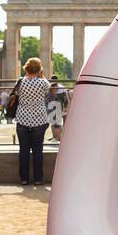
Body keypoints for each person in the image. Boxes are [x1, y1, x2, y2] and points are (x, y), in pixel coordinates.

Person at [13, 57, 51, 185]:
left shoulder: (20, 82)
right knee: (37, 151)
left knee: (23, 150)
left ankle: (24, 179)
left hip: (22, 118)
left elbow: (16, 94)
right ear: (39, 69)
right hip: (39, 119)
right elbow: (49, 89)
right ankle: (38, 179)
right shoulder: (43, 83)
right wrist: (42, 75)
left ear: (26, 68)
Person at [46, 75, 67, 142]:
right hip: (57, 106)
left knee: (56, 123)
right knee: (54, 123)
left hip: (54, 106)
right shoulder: (62, 87)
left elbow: (47, 98)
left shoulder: (50, 87)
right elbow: (65, 99)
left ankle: (58, 137)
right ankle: (55, 137)